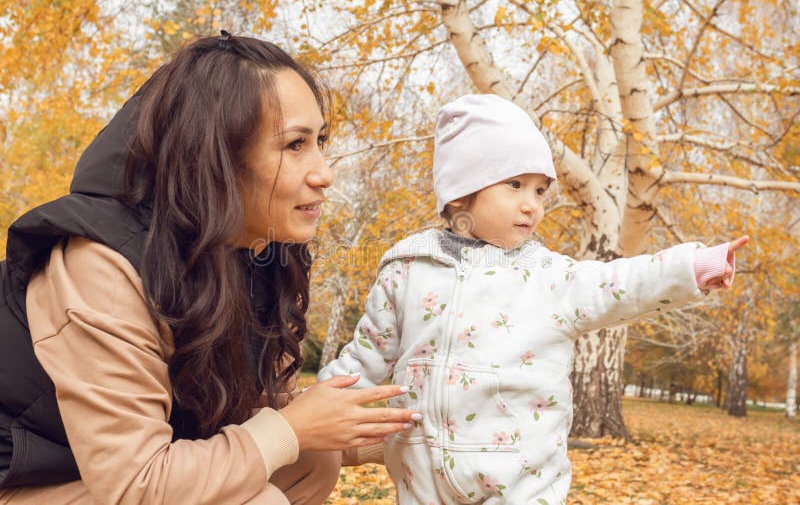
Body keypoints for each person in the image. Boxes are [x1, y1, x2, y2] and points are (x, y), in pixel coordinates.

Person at [0, 33, 420, 504]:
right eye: (295, 145)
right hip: (29, 482)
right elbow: (137, 484)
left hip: (111, 474)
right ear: (217, 153)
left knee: (311, 459)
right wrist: (291, 429)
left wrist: (402, 431)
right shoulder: (103, 267)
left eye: (319, 141)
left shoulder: (252, 252)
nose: (325, 173)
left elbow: (257, 413)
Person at [318, 94, 749, 504]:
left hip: (521, 478)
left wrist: (691, 267)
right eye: (515, 185)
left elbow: (619, 283)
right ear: (461, 191)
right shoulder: (407, 269)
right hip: (420, 475)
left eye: (540, 191)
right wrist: (310, 407)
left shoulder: (548, 277)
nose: (532, 205)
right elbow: (366, 356)